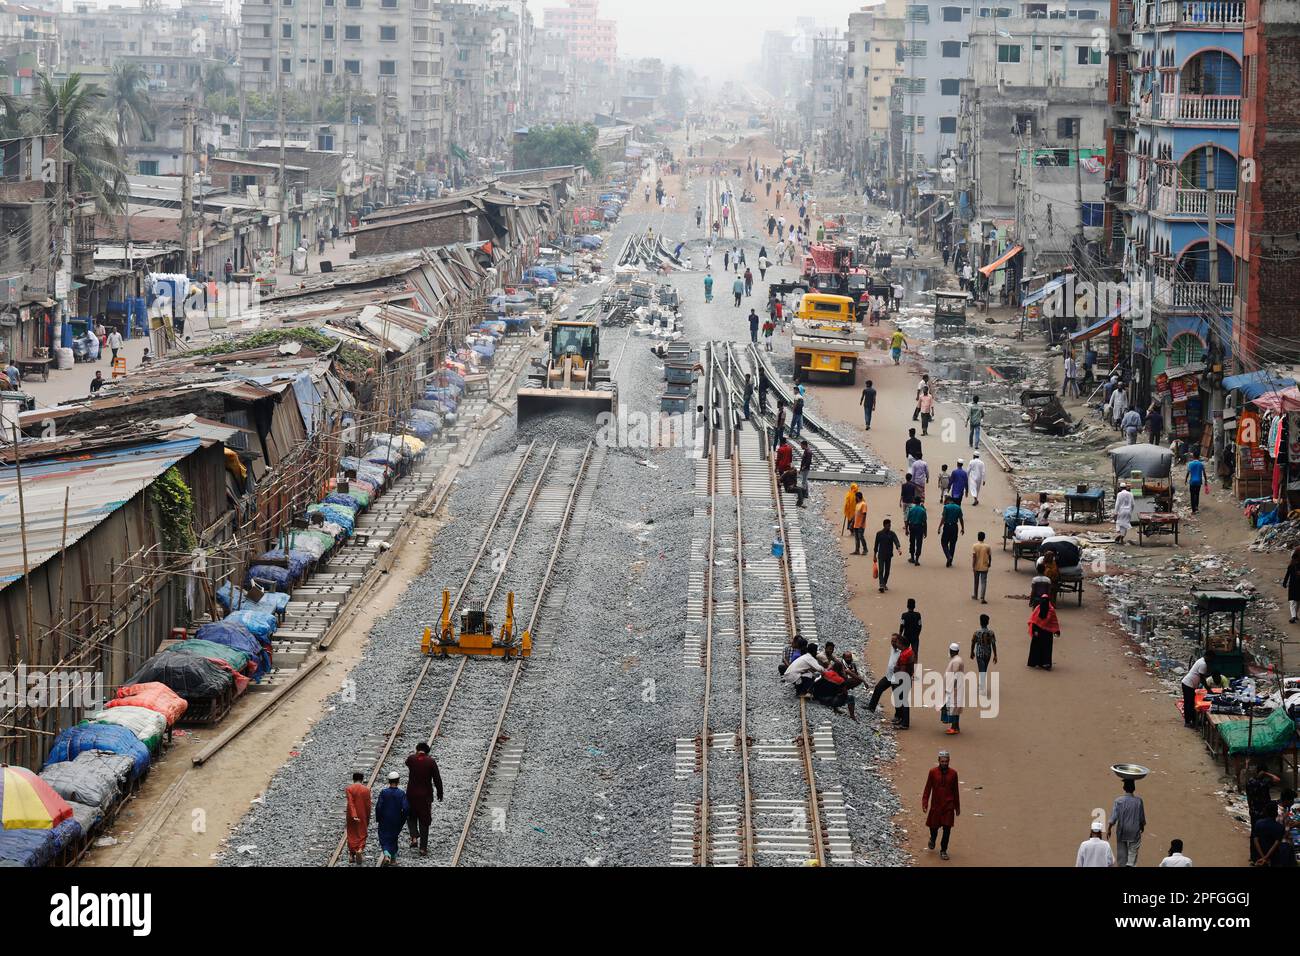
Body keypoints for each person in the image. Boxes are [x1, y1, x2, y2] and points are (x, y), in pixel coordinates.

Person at [404, 741, 444, 856]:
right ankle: (423, 848)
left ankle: (414, 836)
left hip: (411, 794)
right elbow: (437, 779)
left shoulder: (411, 759)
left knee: (410, 816)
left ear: (417, 749)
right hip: (425, 796)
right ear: (427, 751)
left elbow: (407, 762)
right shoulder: (431, 762)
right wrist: (440, 793)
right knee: (424, 821)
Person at [922, 752, 960, 860]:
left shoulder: (953, 774)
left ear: (949, 761)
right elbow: (928, 788)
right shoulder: (933, 772)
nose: (944, 763)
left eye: (946, 761)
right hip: (936, 805)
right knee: (933, 827)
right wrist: (925, 802)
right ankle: (933, 839)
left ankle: (943, 850)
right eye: (942, 761)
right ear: (938, 761)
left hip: (948, 806)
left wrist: (957, 807)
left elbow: (955, 791)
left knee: (947, 829)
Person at [1107, 779, 1146, 867]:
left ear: (1124, 787)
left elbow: (1114, 816)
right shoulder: (1139, 801)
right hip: (1134, 830)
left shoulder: (1118, 801)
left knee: (1121, 853)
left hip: (1122, 830)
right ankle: (1130, 864)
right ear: (1134, 788)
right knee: (1133, 852)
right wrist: (1142, 826)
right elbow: (1141, 816)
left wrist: (1109, 828)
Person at [374, 771, 409, 866]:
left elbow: (378, 806)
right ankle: (393, 859)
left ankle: (386, 853)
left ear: (389, 781)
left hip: (384, 819)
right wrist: (402, 819)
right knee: (394, 837)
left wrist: (378, 818)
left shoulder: (384, 792)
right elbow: (406, 808)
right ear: (398, 781)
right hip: (396, 819)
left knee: (383, 836)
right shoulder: (401, 793)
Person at [867, 634, 904, 715]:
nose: (893, 643)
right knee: (878, 688)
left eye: (895, 641)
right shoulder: (892, 648)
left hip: (896, 678)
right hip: (888, 676)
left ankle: (898, 716)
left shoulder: (901, 652)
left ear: (898, 642)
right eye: (892, 641)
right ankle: (871, 707)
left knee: (896, 697)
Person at [1180, 650, 1217, 728]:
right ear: (1209, 656)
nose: (1212, 660)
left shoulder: (1201, 661)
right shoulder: (1203, 664)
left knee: (1191, 703)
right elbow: (1202, 679)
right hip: (1188, 684)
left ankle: (1193, 720)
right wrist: (1209, 690)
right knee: (1188, 703)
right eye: (1212, 658)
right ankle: (1187, 722)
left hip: (1189, 684)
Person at [344, 771, 372, 865]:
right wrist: (368, 816)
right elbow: (368, 805)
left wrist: (353, 815)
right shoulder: (366, 790)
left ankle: (351, 855)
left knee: (351, 832)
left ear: (353, 779)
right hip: (362, 813)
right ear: (362, 779)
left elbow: (351, 802)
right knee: (362, 832)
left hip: (351, 814)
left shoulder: (349, 788)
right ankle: (359, 849)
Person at [1027, 594, 1060, 669]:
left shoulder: (1051, 610)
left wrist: (1056, 630)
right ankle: (1034, 662)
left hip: (1046, 633)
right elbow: (1034, 621)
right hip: (1038, 632)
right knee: (1036, 647)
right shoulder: (1038, 608)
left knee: (1046, 648)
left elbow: (1054, 621)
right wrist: (1034, 630)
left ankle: (1046, 663)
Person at [942, 643, 966, 735]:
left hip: (954, 688)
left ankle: (954, 727)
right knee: (955, 708)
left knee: (954, 708)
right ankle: (956, 727)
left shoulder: (956, 661)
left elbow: (955, 676)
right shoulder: (956, 659)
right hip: (955, 687)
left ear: (952, 651)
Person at [873, 519, 902, 592]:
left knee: (887, 571)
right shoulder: (879, 534)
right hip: (881, 555)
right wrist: (874, 555)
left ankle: (884, 583)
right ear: (884, 525)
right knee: (881, 570)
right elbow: (876, 545)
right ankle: (881, 585)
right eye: (888, 525)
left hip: (889, 555)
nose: (889, 527)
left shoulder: (892, 533)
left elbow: (896, 541)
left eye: (890, 525)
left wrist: (898, 548)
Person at [939, 495, 964, 567]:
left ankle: (948, 556)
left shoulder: (946, 507)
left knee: (944, 542)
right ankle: (950, 561)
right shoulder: (958, 507)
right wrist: (962, 528)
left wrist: (939, 527)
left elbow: (943, 518)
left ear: (947, 500)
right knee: (953, 544)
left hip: (947, 527)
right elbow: (961, 519)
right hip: (955, 527)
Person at [905, 500, 928, 565]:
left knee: (912, 542)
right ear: (920, 502)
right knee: (919, 543)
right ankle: (917, 559)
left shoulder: (911, 509)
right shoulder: (923, 510)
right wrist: (925, 532)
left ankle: (912, 558)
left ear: (915, 502)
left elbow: (907, 520)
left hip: (912, 527)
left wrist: (906, 529)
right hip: (919, 527)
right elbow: (925, 522)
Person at [972, 532, 992, 605]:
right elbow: (990, 556)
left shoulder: (975, 546)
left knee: (976, 581)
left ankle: (975, 595)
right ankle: (982, 598)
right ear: (984, 538)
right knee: (983, 582)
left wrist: (973, 566)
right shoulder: (987, 546)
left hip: (976, 566)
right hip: (984, 566)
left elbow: (974, 557)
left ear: (978, 537)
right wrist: (989, 563)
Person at [796, 440, 813, 507]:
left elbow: (808, 462)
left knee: (804, 481)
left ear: (804, 445)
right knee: (804, 481)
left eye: (801, 445)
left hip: (805, 469)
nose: (801, 446)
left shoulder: (808, 452)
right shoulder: (806, 451)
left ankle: (804, 494)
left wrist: (803, 468)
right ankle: (805, 494)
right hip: (804, 469)